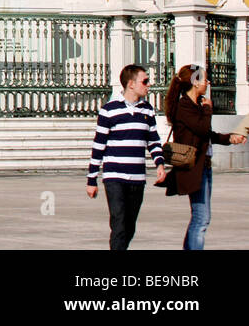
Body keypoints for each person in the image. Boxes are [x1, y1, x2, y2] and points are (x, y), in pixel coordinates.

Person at [163, 63, 246, 249]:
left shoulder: (195, 105)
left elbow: (206, 134)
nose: (208, 82)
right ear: (195, 82)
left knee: (200, 217)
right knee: (202, 218)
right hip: (193, 168)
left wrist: (230, 138)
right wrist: (209, 109)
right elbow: (201, 128)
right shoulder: (185, 106)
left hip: (203, 166)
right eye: (205, 79)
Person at [87, 65, 168, 250]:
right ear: (131, 84)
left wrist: (160, 165)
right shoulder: (109, 110)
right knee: (119, 223)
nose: (149, 85)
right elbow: (98, 146)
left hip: (137, 178)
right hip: (114, 177)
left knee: (130, 226)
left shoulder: (147, 110)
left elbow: (153, 141)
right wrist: (91, 180)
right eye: (145, 81)